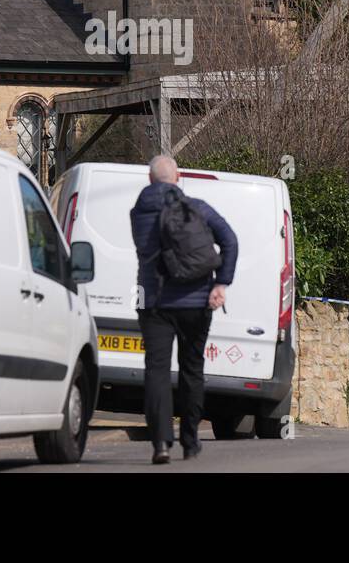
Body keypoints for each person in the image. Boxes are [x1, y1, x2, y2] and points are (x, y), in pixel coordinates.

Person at [129, 154, 238, 464]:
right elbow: (230, 240)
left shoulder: (138, 213)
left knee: (157, 371)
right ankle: (190, 441)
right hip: (196, 301)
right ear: (178, 178)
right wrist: (221, 283)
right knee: (192, 370)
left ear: (150, 180)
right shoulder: (198, 209)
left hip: (153, 303)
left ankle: (161, 444)